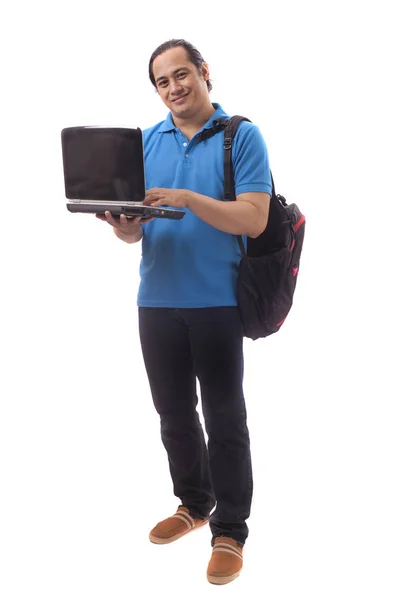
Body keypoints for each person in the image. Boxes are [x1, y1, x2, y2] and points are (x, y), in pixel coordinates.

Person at [96, 39, 272, 585]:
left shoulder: (241, 136)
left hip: (217, 301)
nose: (174, 87)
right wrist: (125, 227)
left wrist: (187, 198)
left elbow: (254, 219)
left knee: (224, 419)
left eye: (181, 74)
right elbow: (133, 234)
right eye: (162, 81)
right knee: (173, 415)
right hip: (157, 302)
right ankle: (193, 505)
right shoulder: (146, 141)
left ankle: (231, 530)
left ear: (204, 72)